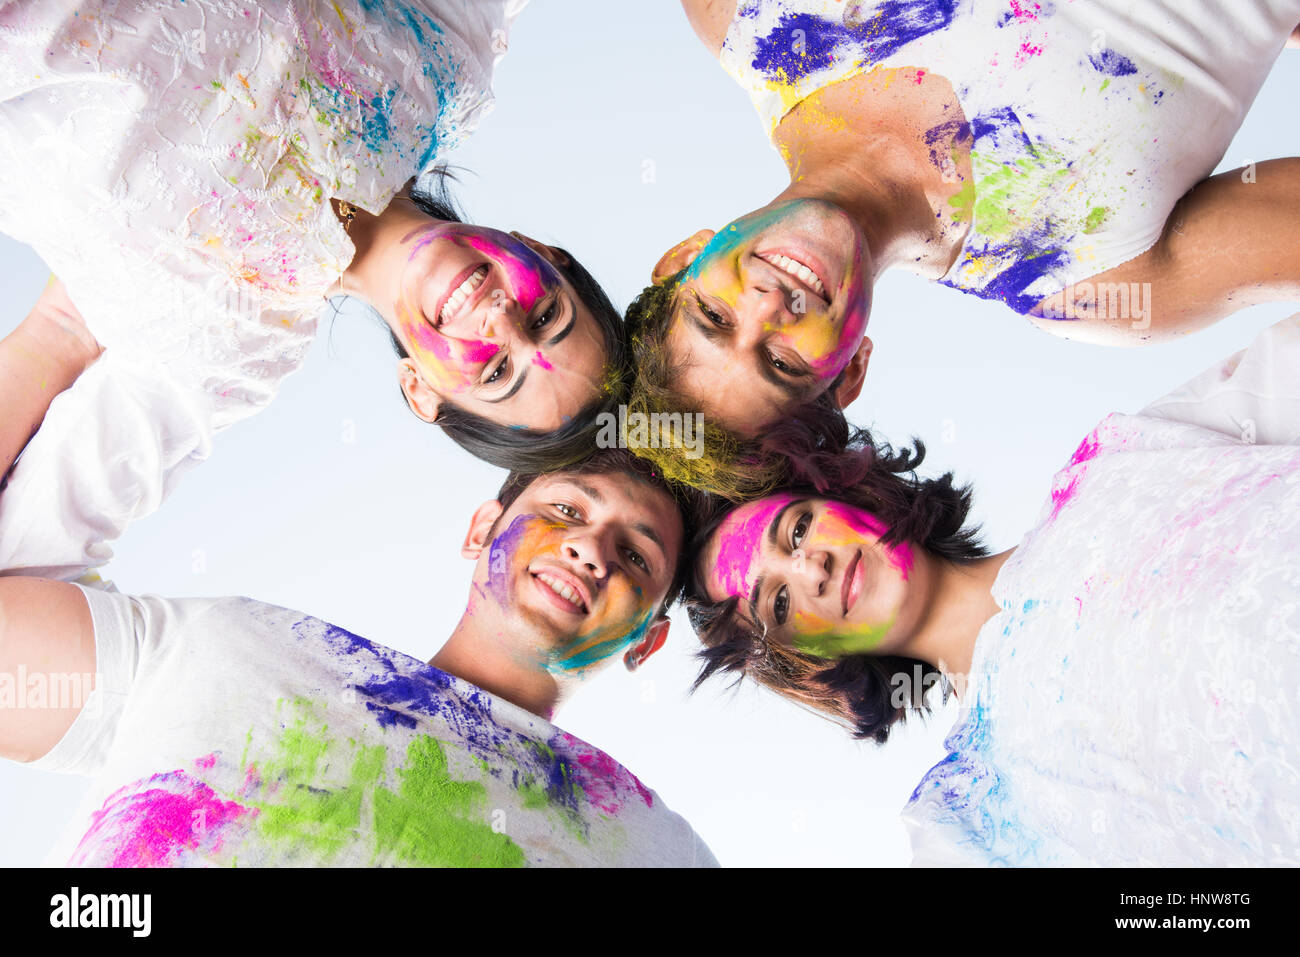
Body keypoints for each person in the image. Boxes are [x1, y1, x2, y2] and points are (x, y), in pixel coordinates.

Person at [0, 0, 626, 578]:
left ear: (420, 390)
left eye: (496, 375)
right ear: (543, 252)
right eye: (546, 315)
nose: (503, 323)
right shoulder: (445, 57)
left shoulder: (230, 342)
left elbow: (26, 557)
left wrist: (58, 339)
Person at [685, 312, 1300, 864]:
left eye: (797, 530)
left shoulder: (1115, 466)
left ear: (846, 494)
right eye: (780, 602)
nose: (812, 569)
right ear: (807, 660)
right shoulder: (972, 821)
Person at [623, 0, 1300, 477]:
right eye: (784, 364)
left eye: (715, 317)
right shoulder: (1087, 281)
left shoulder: (738, 15)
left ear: (683, 260)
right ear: (853, 368)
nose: (769, 310)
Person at [0, 447, 717, 866]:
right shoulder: (225, 643)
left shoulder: (654, 847)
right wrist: (62, 337)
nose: (589, 549)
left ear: (646, 641)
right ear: (482, 526)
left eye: (634, 555)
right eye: (567, 509)